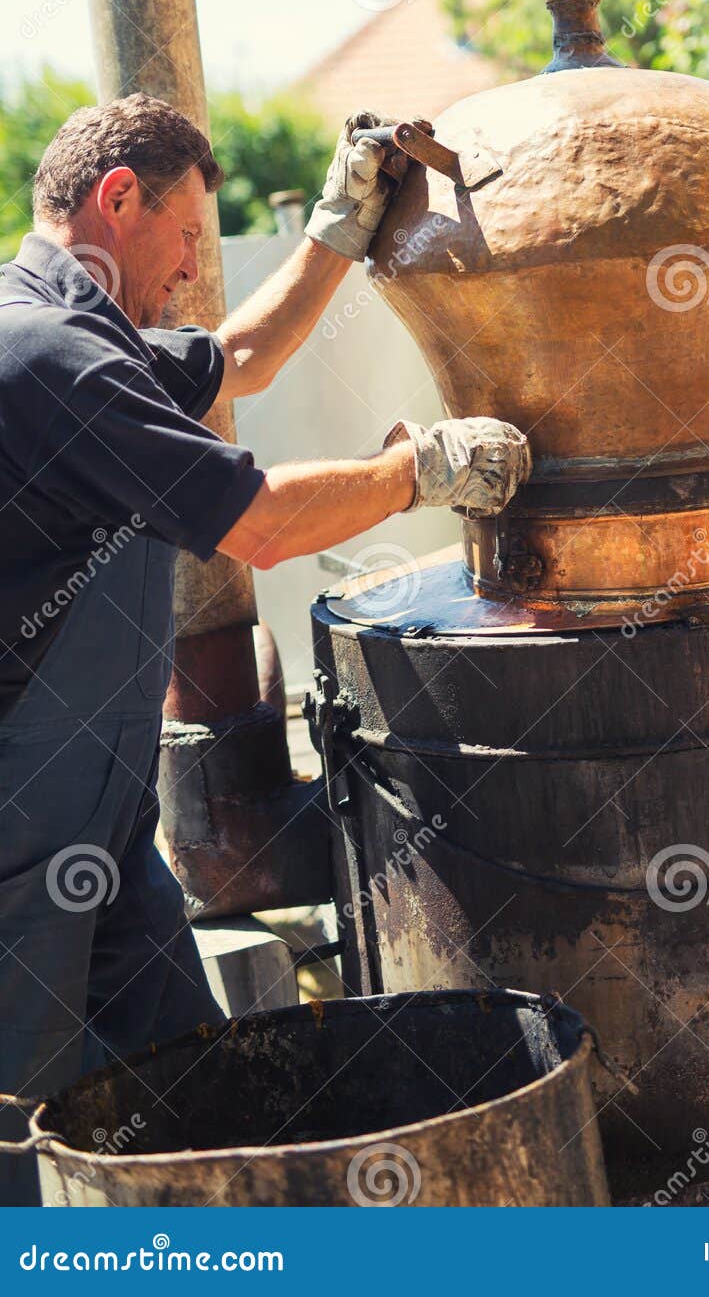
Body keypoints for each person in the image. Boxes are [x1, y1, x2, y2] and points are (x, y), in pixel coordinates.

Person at [0, 94, 529, 1198]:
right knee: (19, 1138)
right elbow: (264, 524)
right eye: (189, 233)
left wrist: (339, 224)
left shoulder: (91, 343)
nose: (194, 267)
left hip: (101, 835)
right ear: (117, 199)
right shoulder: (43, 353)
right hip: (17, 852)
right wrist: (423, 471)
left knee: (186, 1097)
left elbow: (244, 353)